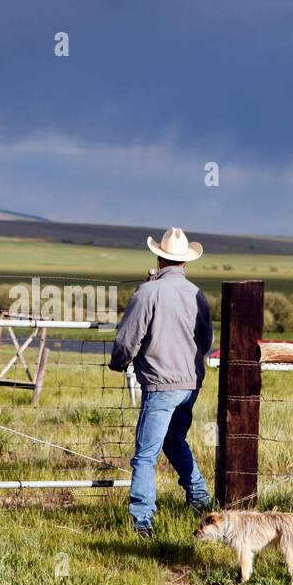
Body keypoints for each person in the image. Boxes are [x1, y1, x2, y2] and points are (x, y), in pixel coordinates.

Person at [108, 228, 214, 538]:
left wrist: (118, 362)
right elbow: (206, 340)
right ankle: (199, 497)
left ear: (159, 256)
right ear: (185, 262)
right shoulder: (198, 295)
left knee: (145, 455)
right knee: (174, 440)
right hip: (190, 382)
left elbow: (129, 338)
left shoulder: (148, 292)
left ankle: (142, 520)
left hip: (160, 383)